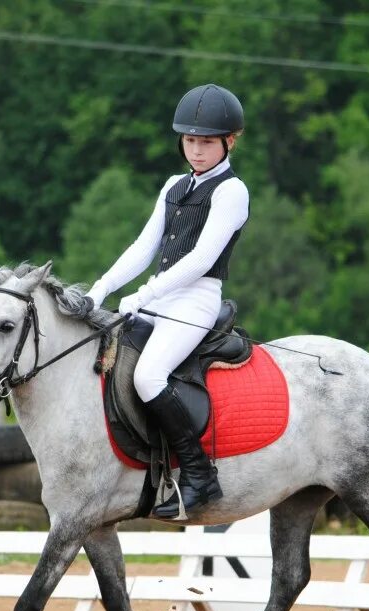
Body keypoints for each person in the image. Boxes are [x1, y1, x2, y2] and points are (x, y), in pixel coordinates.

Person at [87, 84, 250, 519]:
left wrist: (144, 294)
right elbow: (144, 247)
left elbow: (200, 260)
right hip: (161, 298)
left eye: (206, 142)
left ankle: (200, 476)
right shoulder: (174, 186)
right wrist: (99, 289)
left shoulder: (232, 192)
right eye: (190, 140)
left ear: (229, 141)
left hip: (195, 300)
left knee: (148, 375)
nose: (196, 150)